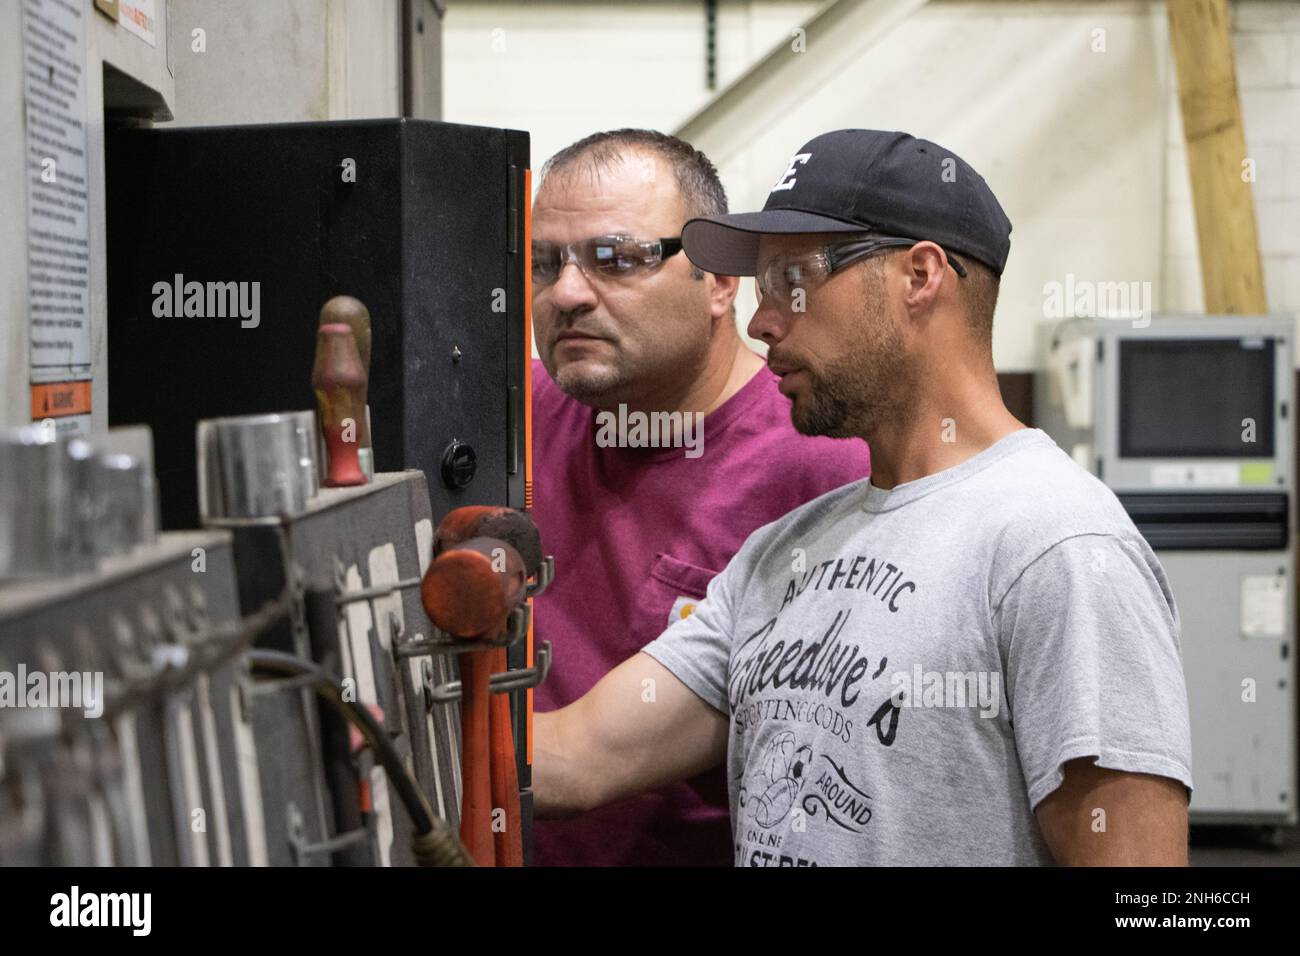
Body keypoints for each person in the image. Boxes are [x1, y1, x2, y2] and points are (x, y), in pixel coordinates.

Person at [533, 129, 1193, 866]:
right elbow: (576, 758)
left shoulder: (1058, 546)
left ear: (919, 277)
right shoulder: (782, 554)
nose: (761, 322)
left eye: (795, 281)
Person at [528, 130, 870, 866]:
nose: (565, 293)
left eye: (616, 258)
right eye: (544, 262)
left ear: (719, 282)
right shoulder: (508, 414)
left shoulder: (824, 469)